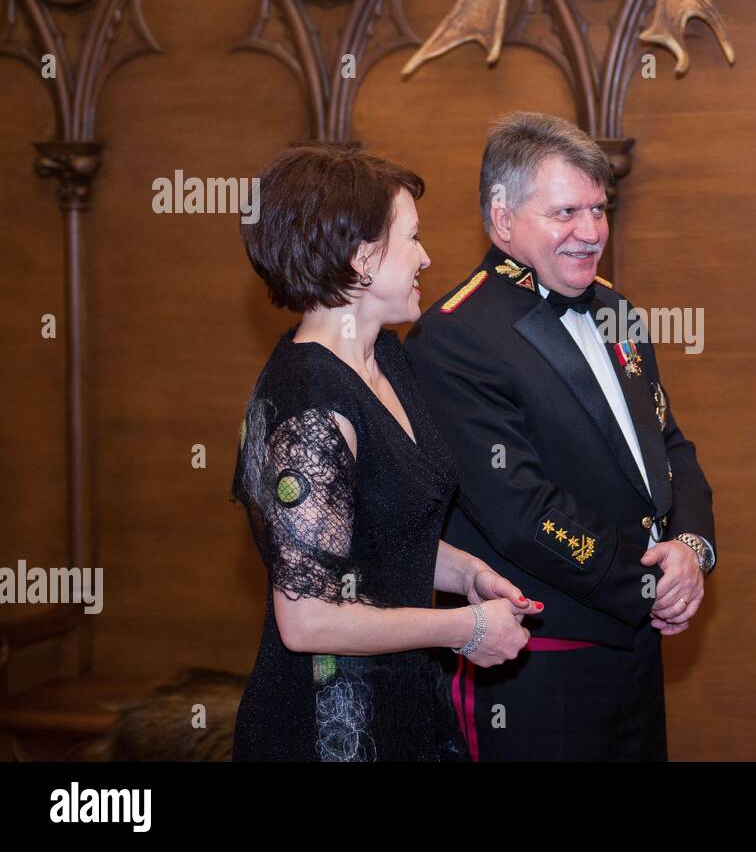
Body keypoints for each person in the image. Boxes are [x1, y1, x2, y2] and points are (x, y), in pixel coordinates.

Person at [405, 112, 715, 761]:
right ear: (502, 218)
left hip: (634, 651)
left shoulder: (616, 308)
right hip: (534, 666)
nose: (591, 232)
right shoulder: (455, 336)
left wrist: (690, 545)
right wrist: (649, 582)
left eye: (598, 209)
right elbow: (523, 513)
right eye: (565, 212)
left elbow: (670, 447)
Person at [231, 143, 533, 761]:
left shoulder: (386, 358)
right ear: (363, 259)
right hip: (326, 728)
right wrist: (463, 628)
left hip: (402, 702)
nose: (426, 257)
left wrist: (467, 573)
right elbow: (307, 620)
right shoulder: (310, 403)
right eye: (413, 238)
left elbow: (383, 537)